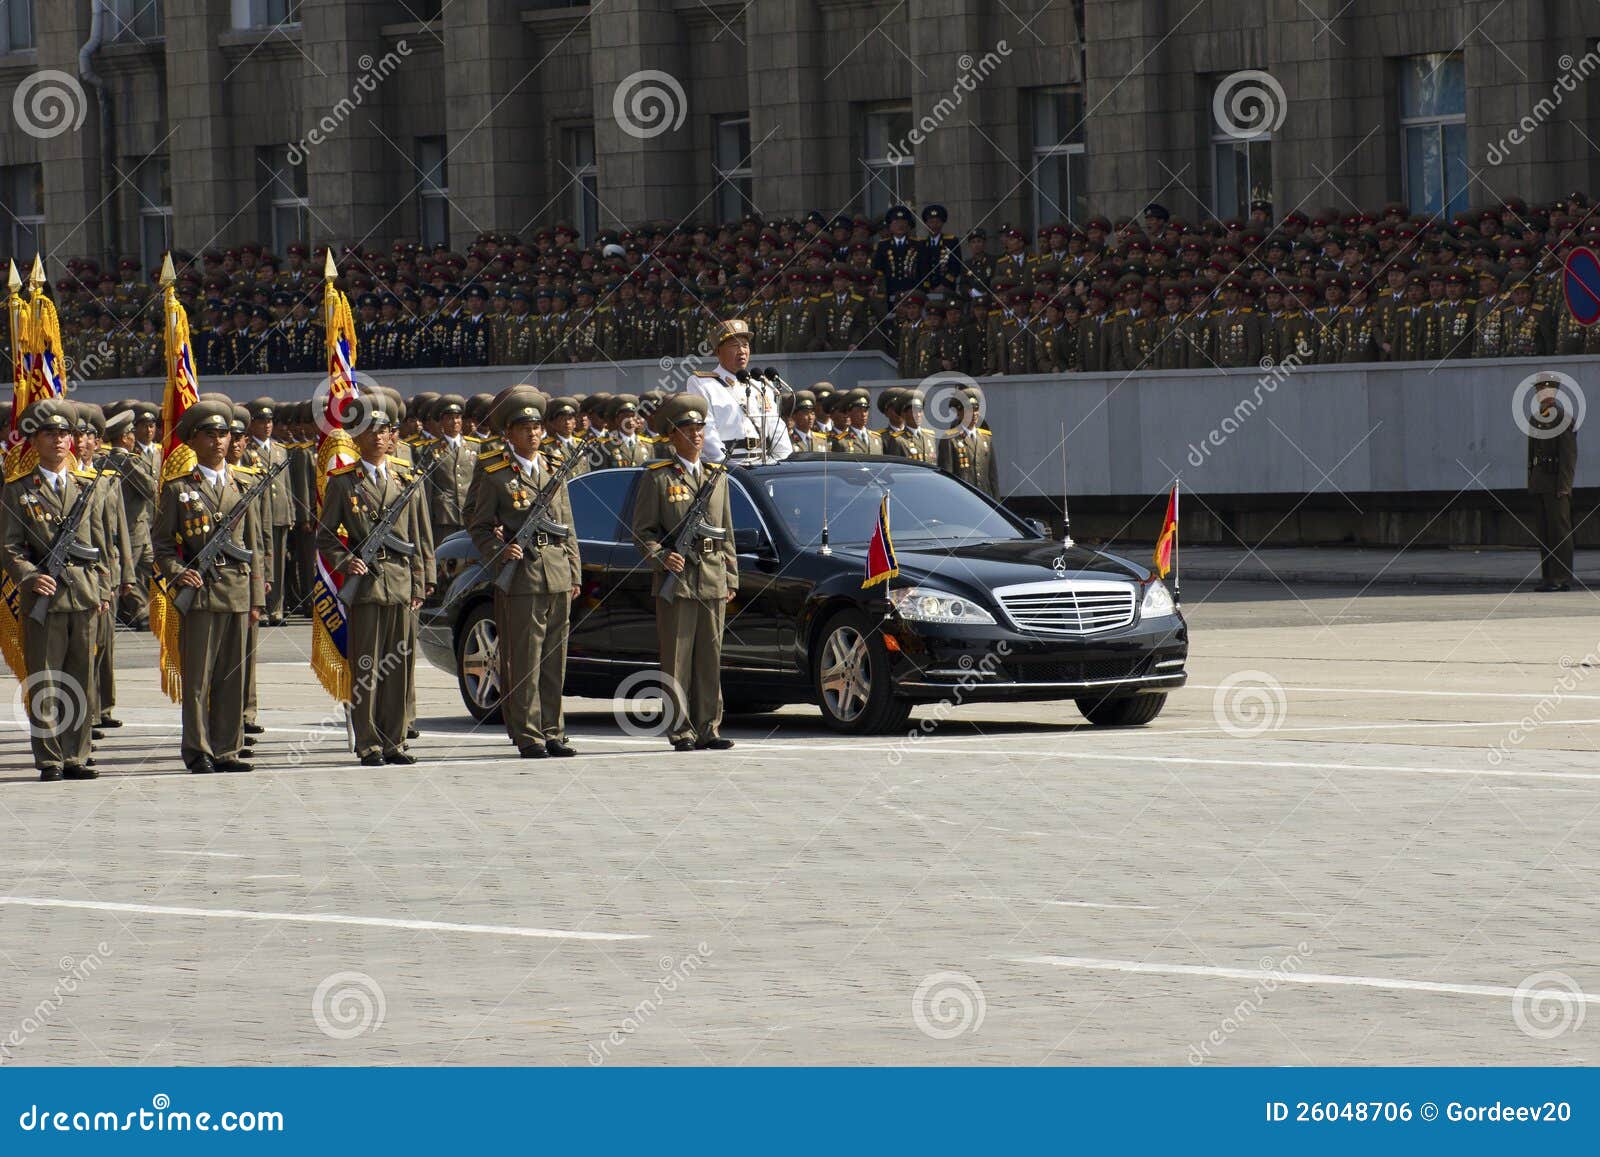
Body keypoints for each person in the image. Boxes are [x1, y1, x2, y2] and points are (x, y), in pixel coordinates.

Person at [152, 400, 267, 774]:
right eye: (211, 435)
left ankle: (228, 749)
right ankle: (199, 749)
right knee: (199, 679)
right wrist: (177, 572)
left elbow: (255, 547)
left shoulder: (244, 484)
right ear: (193, 440)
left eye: (225, 434)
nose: (220, 441)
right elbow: (163, 545)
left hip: (236, 591)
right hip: (199, 593)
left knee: (232, 678)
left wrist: (257, 598)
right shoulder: (178, 488)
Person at [468, 388, 582, 759]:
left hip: (557, 573)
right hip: (522, 574)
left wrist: (575, 572)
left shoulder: (553, 467)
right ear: (509, 433)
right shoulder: (495, 472)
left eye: (537, 426)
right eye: (524, 427)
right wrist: (499, 552)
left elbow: (568, 525)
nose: (534, 433)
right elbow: (478, 523)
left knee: (554, 659)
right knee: (525, 658)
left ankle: (553, 731)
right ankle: (528, 733)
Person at [1, 400, 112, 780]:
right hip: (43, 598)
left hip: (83, 593)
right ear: (34, 441)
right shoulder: (18, 490)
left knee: (82, 677)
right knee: (46, 678)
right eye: (51, 434)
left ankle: (76, 755)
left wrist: (105, 589)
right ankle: (49, 757)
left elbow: (102, 544)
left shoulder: (89, 487)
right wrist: (29, 576)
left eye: (65, 434)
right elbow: (10, 547)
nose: (61, 441)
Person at [316, 393, 427, 765]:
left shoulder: (407, 478)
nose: (379, 437)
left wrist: (421, 582)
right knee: (367, 666)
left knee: (399, 665)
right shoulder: (344, 482)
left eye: (385, 431)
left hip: (400, 582)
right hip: (365, 585)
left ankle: (394, 740)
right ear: (357, 437)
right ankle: (369, 742)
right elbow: (325, 535)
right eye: (371, 431)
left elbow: (421, 537)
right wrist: (346, 561)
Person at [630, 394, 737, 752]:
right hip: (677, 580)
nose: (695, 434)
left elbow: (727, 532)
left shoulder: (716, 477)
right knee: (677, 658)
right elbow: (641, 531)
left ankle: (709, 726)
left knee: (710, 656)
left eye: (699, 428)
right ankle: (680, 729)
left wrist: (731, 577)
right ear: (672, 435)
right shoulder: (657, 477)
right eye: (687, 429)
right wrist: (661, 556)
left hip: (711, 576)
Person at [686, 318, 791, 465]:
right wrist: (724, 465)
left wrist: (783, 463)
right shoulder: (703, 384)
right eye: (735, 346)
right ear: (718, 351)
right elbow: (707, 431)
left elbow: (776, 427)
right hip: (726, 467)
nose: (742, 351)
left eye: (745, 345)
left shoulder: (760, 384)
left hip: (763, 465)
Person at [241, 397, 293, 625]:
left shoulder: (280, 450)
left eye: (270, 421)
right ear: (252, 424)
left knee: (279, 562)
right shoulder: (246, 450)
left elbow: (287, 485)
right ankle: (260, 606)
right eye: (262, 421)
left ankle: (277, 608)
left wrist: (290, 511)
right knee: (260, 558)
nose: (267, 425)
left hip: (279, 512)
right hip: (259, 514)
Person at [1528, 376, 1578, 592]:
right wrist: (1531, 481)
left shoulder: (1562, 419)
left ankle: (1562, 577)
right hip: (1540, 482)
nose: (1540, 394)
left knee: (1559, 532)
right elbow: (1531, 454)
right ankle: (1548, 577)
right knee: (1544, 532)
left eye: (1543, 390)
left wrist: (1564, 485)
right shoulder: (1536, 418)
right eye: (1538, 390)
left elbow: (1568, 456)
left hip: (1556, 483)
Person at [424, 393, 475, 542]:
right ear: (442, 422)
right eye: (450, 418)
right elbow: (428, 488)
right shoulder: (431, 450)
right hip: (444, 516)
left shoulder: (475, 447)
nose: (455, 422)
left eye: (458, 417)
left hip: (471, 514)